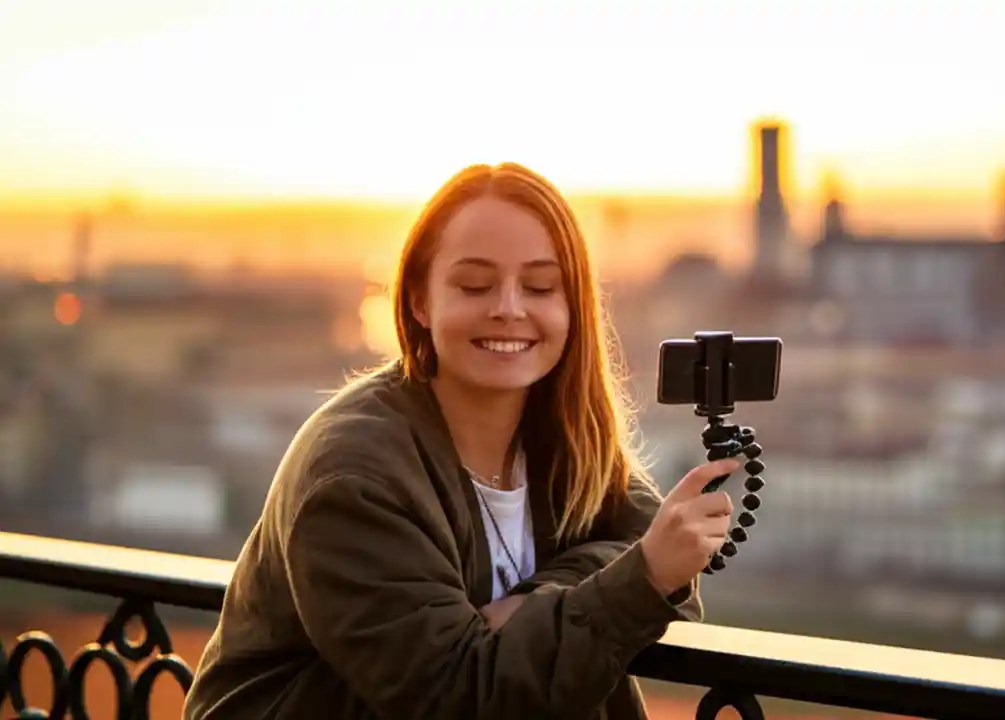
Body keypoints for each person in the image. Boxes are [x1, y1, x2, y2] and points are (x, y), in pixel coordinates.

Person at [183, 162, 738, 719]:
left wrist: (532, 601)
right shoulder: (352, 476)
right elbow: (456, 696)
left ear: (572, 309)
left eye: (541, 287)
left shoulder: (566, 436)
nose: (509, 308)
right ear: (420, 300)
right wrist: (633, 578)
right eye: (475, 285)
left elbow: (664, 564)